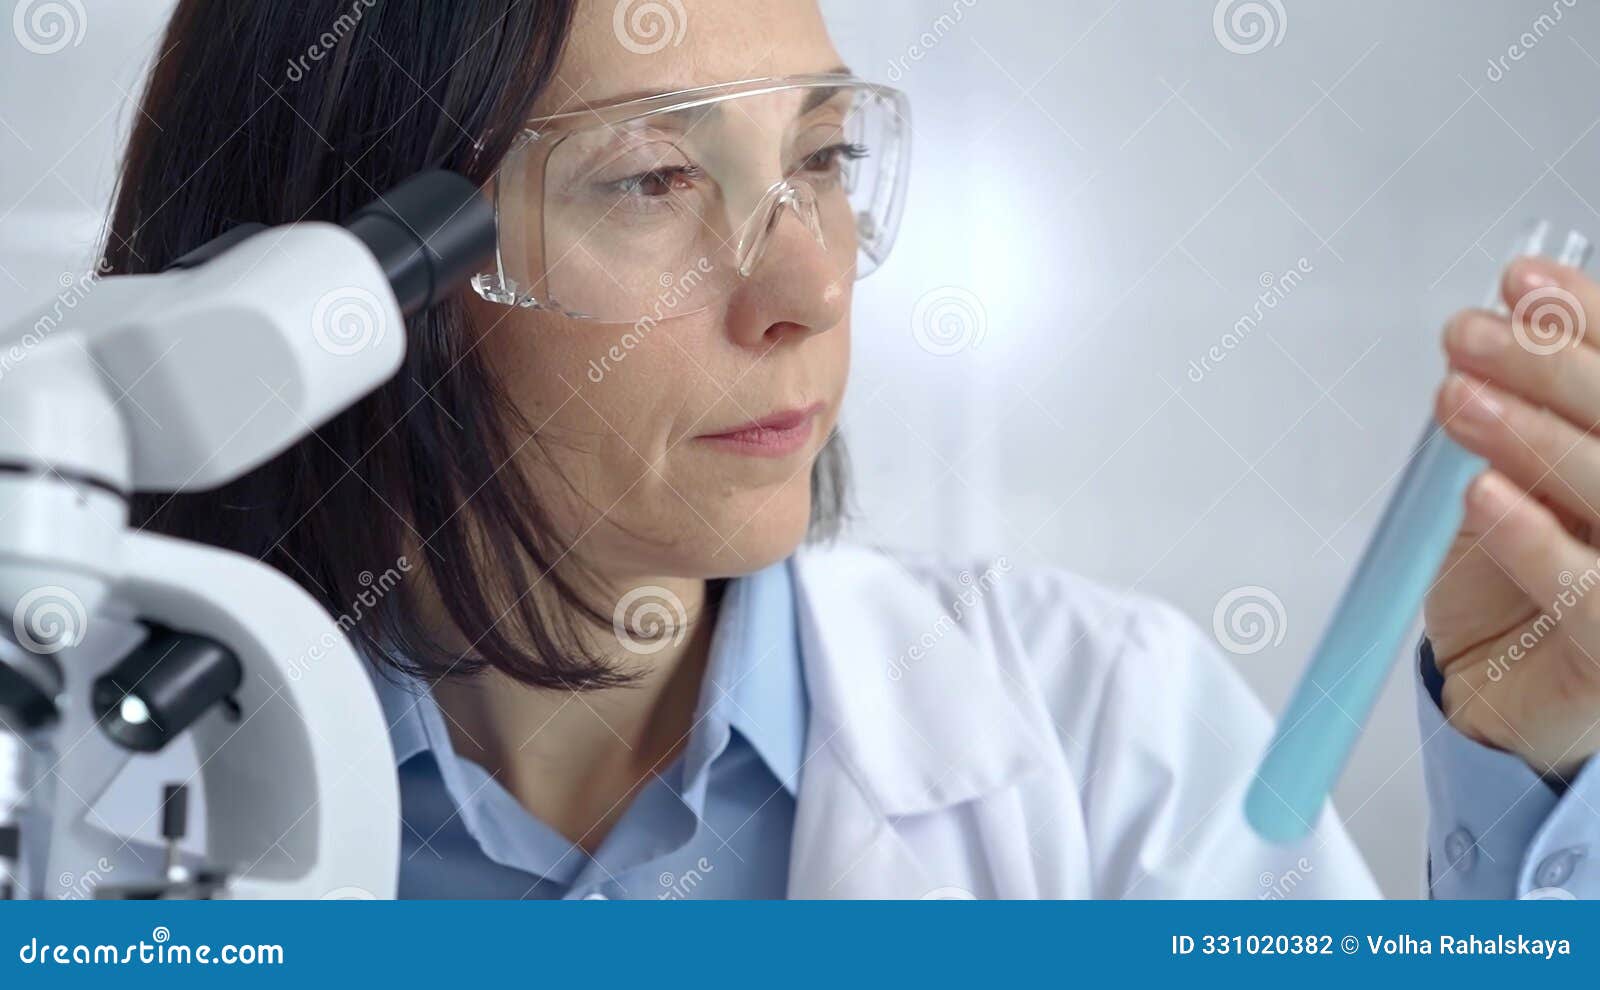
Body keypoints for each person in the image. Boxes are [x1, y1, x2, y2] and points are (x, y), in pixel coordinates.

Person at [104, 0, 1600, 899]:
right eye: (653, 179)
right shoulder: (80, 796)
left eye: (823, 158)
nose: (812, 288)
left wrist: (1528, 769)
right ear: (349, 279)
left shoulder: (1103, 740)